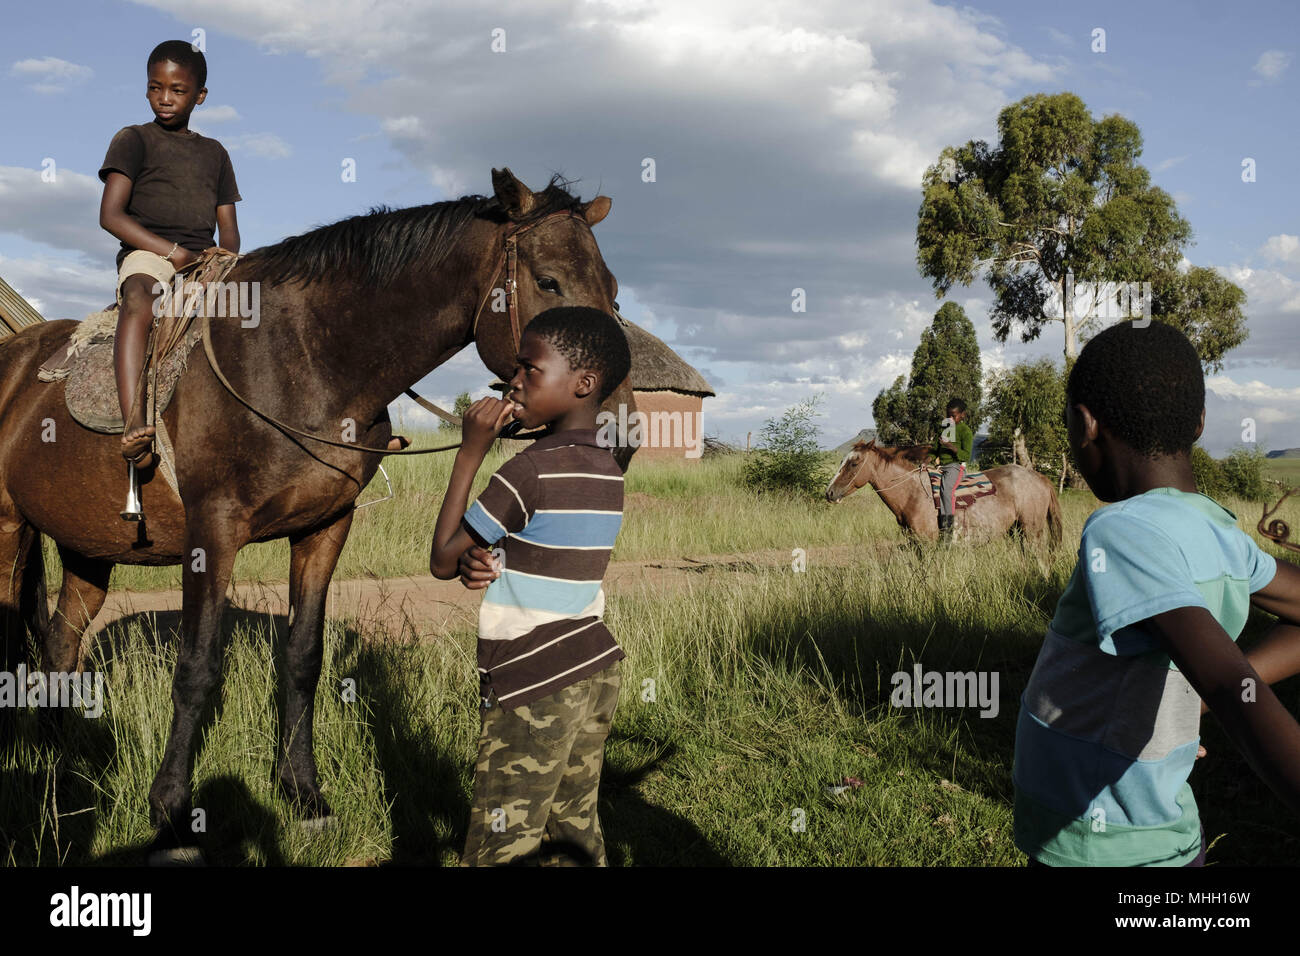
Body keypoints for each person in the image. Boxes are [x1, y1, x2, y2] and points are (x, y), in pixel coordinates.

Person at [1013, 320, 1300, 867]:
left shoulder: (1120, 529)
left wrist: (1224, 690)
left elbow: (1226, 680)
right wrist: (1199, 699)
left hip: (1099, 850)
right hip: (1164, 840)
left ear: (1085, 424)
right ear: (1199, 423)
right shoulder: (1218, 530)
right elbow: (1223, 680)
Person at [429, 306, 632, 866]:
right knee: (574, 828)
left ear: (583, 384)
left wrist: (471, 450)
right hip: (593, 666)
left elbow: (442, 559)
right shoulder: (607, 468)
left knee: (503, 842)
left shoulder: (528, 470)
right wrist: (486, 560)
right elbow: (541, 551)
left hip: (532, 676)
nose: (513, 381)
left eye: (529, 369)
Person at [98, 40, 241, 468]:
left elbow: (229, 229)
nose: (164, 98)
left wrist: (223, 257)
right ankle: (134, 425)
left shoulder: (215, 153)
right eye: (155, 87)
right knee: (139, 300)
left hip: (205, 261)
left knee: (263, 310)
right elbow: (110, 215)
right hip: (152, 254)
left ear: (200, 95)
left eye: (177, 90)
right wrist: (173, 253)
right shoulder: (133, 139)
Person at [933, 398, 973, 540]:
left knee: (946, 491)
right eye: (948, 415)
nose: (950, 418)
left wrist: (950, 446)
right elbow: (934, 450)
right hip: (941, 467)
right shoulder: (944, 428)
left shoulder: (965, 431)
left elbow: (966, 456)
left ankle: (948, 530)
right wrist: (926, 462)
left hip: (955, 467)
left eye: (953, 416)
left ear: (962, 415)